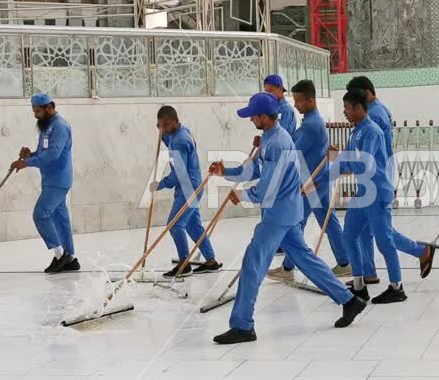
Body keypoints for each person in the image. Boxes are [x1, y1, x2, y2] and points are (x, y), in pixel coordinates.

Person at [207, 92, 365, 345]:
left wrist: (244, 194)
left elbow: (268, 187)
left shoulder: (278, 142)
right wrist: (225, 171)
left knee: (252, 264)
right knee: (306, 260)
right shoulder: (271, 138)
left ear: (263, 117)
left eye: (253, 116)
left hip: (278, 214)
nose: (250, 120)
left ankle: (242, 325)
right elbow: (252, 170)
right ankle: (349, 301)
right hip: (288, 211)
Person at [333, 89, 433, 305]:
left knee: (384, 241)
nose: (344, 112)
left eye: (347, 108)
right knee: (349, 236)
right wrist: (333, 166)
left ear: (359, 108)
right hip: (362, 193)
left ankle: (397, 287)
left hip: (377, 192)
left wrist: (343, 162)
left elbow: (365, 164)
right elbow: (349, 161)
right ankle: (359, 286)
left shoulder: (372, 131)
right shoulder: (355, 131)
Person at [266, 80, 352, 282]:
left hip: (311, 183)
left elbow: (293, 151)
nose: (296, 105)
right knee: (327, 221)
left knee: (295, 223)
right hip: (317, 180)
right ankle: (345, 263)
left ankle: (288, 268)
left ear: (311, 100)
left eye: (299, 101)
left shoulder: (312, 124)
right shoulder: (310, 121)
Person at [150, 105, 222, 277]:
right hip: (193, 185)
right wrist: (163, 135)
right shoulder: (182, 131)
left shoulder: (179, 141)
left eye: (167, 125)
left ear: (175, 121)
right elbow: (170, 140)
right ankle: (211, 261)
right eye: (161, 125)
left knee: (175, 225)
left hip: (188, 188)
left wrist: (159, 184)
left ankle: (184, 265)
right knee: (193, 226)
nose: (164, 129)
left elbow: (178, 175)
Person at [11, 93, 79, 273]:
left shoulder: (59, 127)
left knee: (41, 214)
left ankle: (60, 254)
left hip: (58, 180)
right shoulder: (47, 127)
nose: (36, 115)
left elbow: (53, 155)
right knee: (60, 217)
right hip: (51, 179)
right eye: (34, 111)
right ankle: (70, 258)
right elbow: (44, 152)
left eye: (38, 111)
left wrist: (26, 163)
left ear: (49, 107)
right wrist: (30, 154)